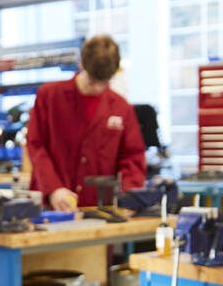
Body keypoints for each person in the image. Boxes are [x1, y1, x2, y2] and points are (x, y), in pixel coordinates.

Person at [26, 35, 146, 212]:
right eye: (92, 80)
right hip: (53, 207)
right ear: (81, 63)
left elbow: (132, 157)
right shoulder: (49, 96)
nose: (97, 88)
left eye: (103, 82)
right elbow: (36, 144)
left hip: (100, 210)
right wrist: (53, 188)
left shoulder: (122, 108)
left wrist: (129, 197)